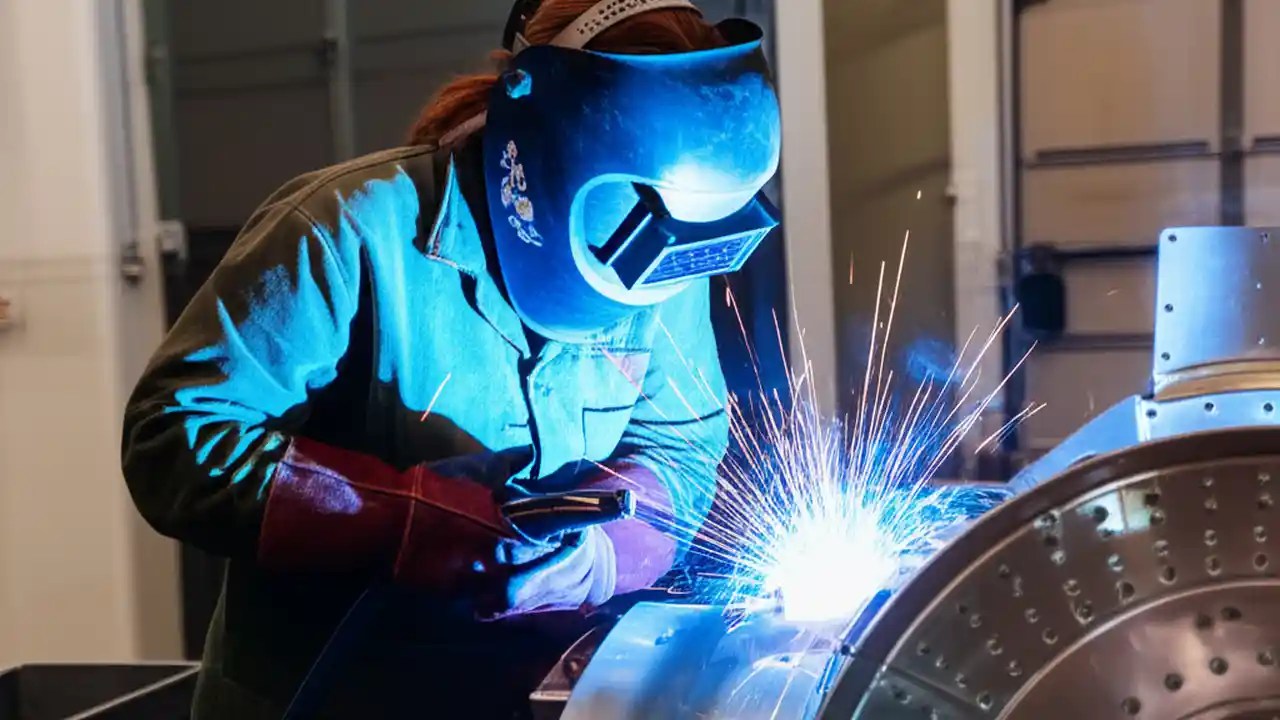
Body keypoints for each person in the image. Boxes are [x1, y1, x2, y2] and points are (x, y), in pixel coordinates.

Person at [121, 0, 782, 717]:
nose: (653, 268)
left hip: (523, 695)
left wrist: (603, 554)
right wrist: (407, 522)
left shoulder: (666, 260)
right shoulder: (348, 229)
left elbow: (680, 450)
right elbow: (175, 440)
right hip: (322, 694)